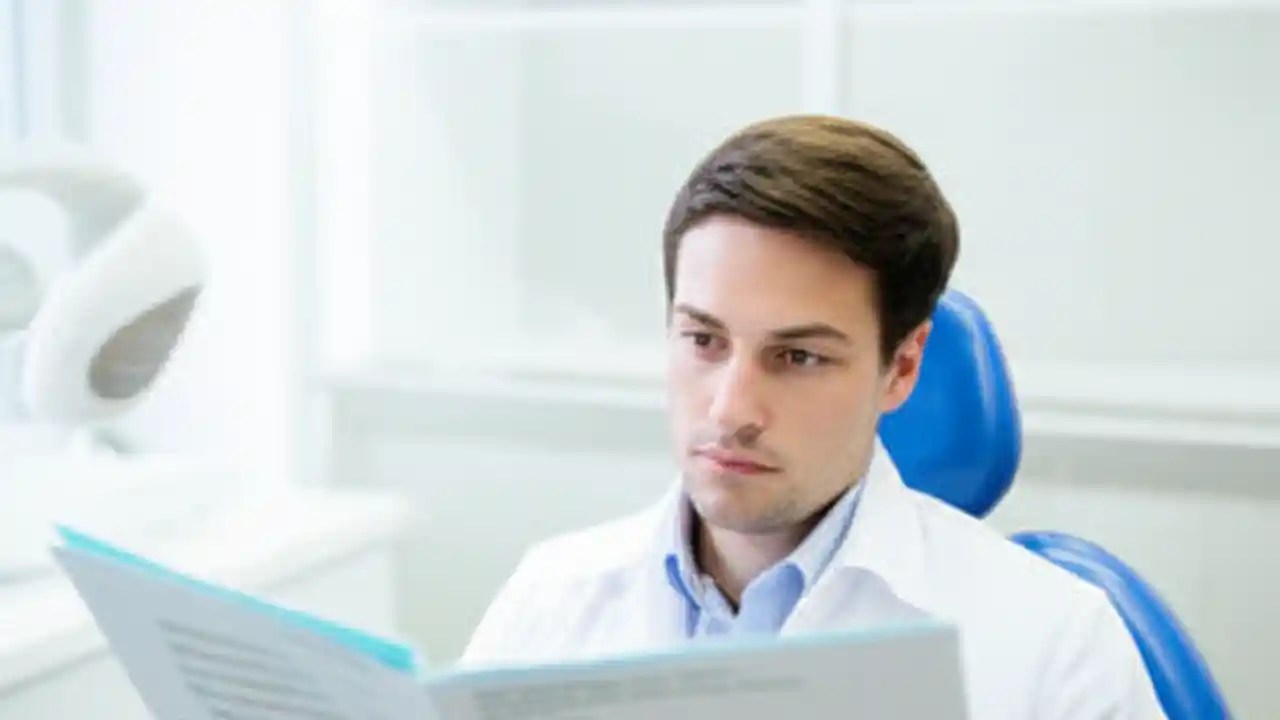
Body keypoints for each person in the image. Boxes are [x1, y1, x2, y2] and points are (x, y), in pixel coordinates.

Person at [461, 115, 1165, 719]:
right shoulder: (550, 599)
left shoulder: (1053, 641)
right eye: (704, 341)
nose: (731, 409)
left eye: (797, 357)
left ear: (903, 367)